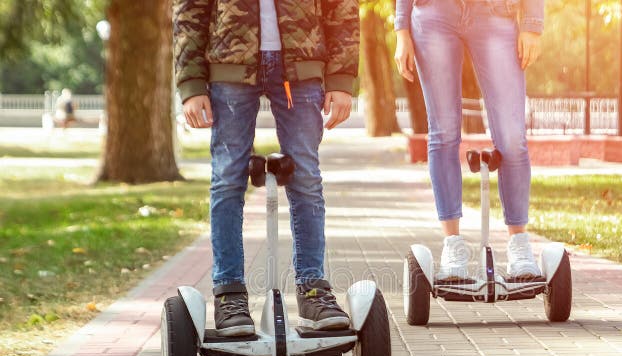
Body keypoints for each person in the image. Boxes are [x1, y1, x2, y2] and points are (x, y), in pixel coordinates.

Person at [173, 0, 358, 336]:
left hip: (302, 62)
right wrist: (191, 84)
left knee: (306, 178)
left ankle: (313, 290)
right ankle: (229, 293)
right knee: (227, 179)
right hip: (229, 62)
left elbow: (342, 7)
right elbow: (190, 10)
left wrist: (342, 77)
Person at [394, 0, 544, 281]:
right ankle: (453, 246)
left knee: (512, 137)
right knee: (444, 132)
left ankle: (520, 246)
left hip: (495, 12)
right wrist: (401, 27)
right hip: (435, 13)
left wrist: (533, 23)